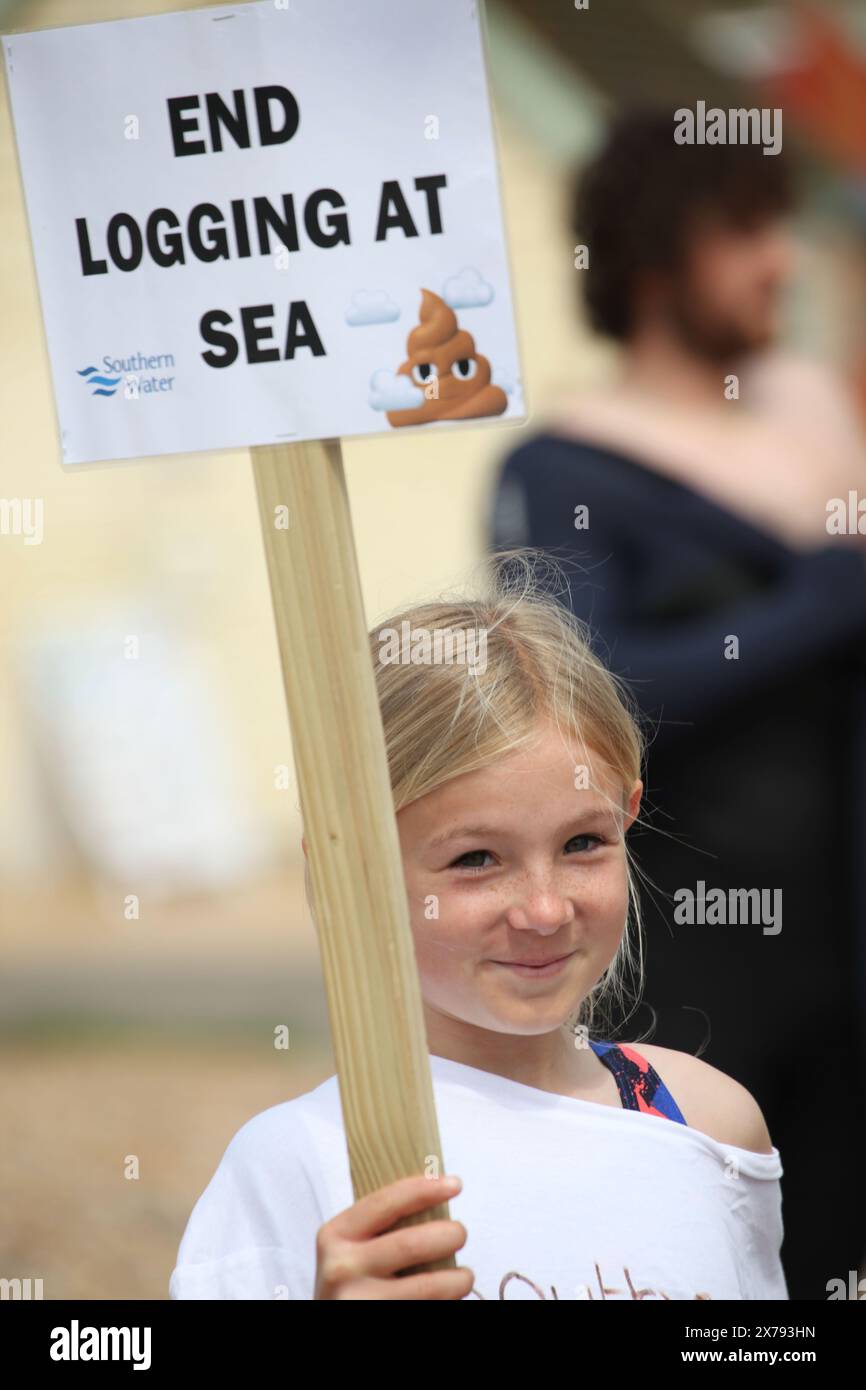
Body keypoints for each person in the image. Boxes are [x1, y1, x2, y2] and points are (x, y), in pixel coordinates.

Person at [169, 552, 787, 1301]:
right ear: (349, 868)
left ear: (629, 816)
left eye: (582, 844)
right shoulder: (303, 1163)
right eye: (476, 859)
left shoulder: (708, 1123)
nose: (545, 910)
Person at [490, 108, 866, 1300]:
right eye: (743, 228)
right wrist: (835, 574)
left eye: (783, 227)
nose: (780, 261)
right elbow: (602, 686)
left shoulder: (810, 429)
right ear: (651, 254)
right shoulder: (564, 468)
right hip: (700, 969)